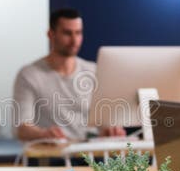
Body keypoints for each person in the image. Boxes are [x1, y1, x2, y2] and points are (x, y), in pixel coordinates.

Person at [13, 8, 125, 141]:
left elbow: (106, 120)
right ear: (51, 34)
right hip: (52, 150)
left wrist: (111, 130)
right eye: (67, 33)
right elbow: (21, 128)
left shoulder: (94, 71)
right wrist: (43, 134)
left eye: (78, 33)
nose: (74, 40)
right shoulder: (29, 75)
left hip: (90, 149)